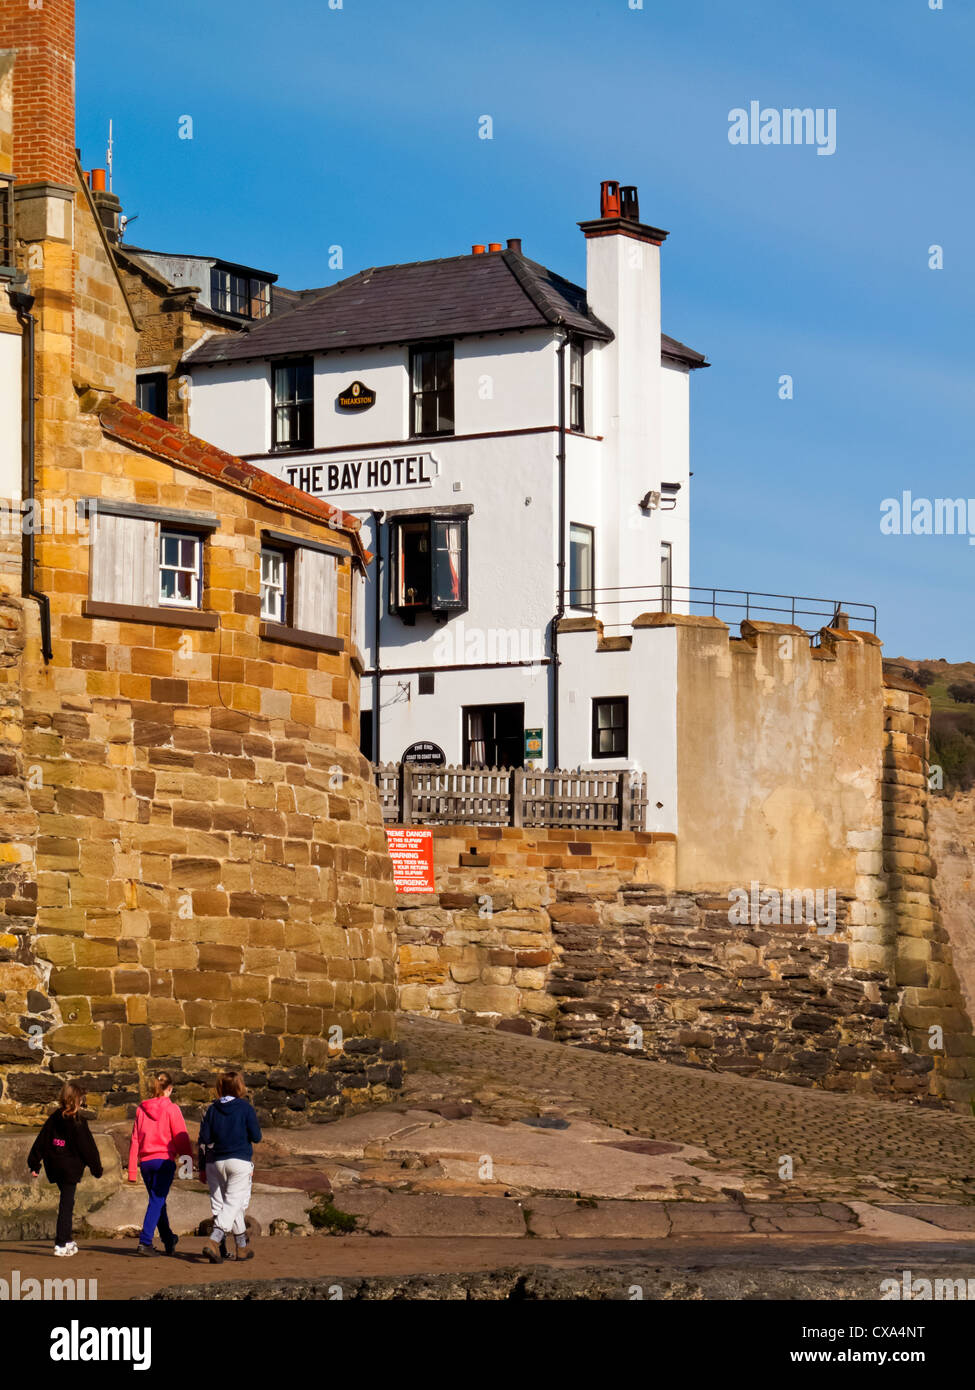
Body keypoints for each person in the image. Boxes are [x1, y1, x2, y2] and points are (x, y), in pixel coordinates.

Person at [27, 1081, 103, 1257]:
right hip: (70, 1168)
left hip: (54, 1165)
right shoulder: (79, 1122)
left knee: (67, 1201)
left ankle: (67, 1239)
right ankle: (61, 1242)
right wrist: (96, 1169)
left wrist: (34, 1164)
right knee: (66, 1204)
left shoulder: (54, 1118)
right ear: (76, 1100)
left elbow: (42, 1141)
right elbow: (88, 1148)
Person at [197, 1070, 262, 1263]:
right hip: (240, 1160)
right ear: (239, 1086)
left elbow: (206, 1138)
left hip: (219, 1161)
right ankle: (214, 1240)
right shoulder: (245, 1108)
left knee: (231, 1206)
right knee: (233, 1203)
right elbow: (257, 1136)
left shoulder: (212, 1109)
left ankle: (242, 1247)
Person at [128, 1070, 193, 1256]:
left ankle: (168, 1238)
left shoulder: (141, 1110)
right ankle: (145, 1241)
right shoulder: (172, 1109)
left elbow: (135, 1140)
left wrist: (132, 1170)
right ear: (170, 1089)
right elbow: (182, 1139)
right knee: (157, 1201)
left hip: (146, 1163)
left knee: (159, 1202)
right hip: (164, 1161)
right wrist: (187, 1165)